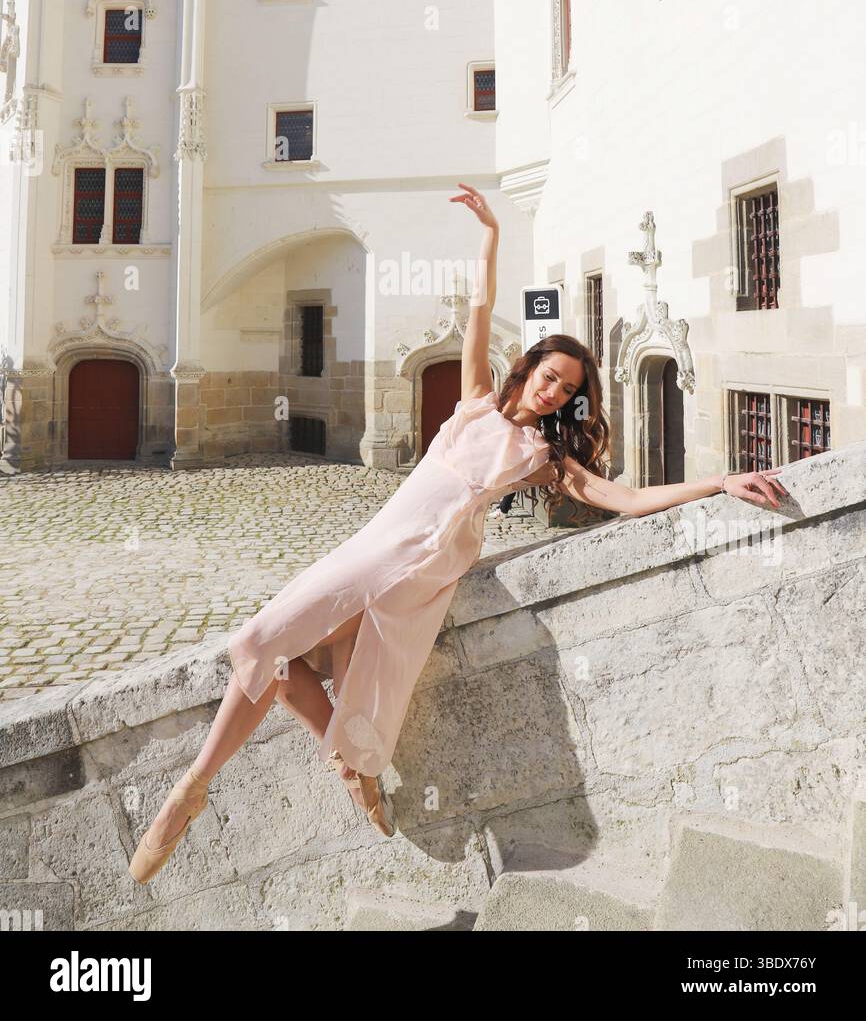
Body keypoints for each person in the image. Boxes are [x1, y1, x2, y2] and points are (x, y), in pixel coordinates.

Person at [128, 184, 787, 883]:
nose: (554, 394)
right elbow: (478, 308)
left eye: (567, 391)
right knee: (268, 651)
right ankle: (206, 787)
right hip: (372, 549)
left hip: (420, 574)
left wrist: (720, 483)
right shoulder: (475, 404)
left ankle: (321, 772)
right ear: (528, 367)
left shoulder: (543, 456)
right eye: (550, 377)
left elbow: (620, 498)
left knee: (297, 665)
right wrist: (492, 233)